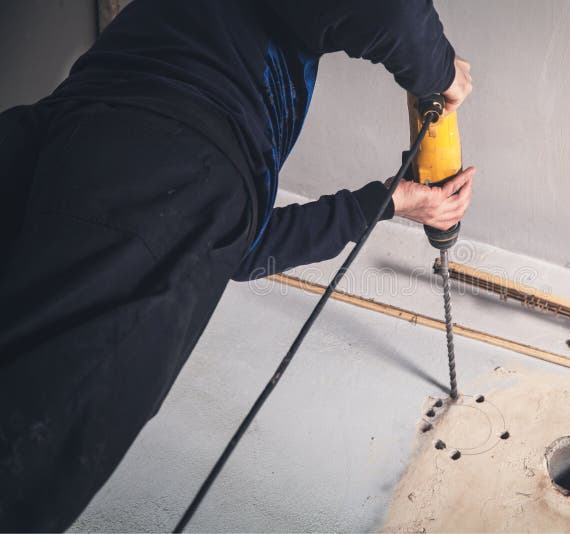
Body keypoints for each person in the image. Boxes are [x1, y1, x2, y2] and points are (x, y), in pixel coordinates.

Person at [0, 0, 474, 530]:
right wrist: (441, 71)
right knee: (40, 429)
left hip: (55, 133)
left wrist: (385, 203)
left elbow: (236, 248)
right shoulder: (210, 127)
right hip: (168, 157)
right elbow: (391, 12)